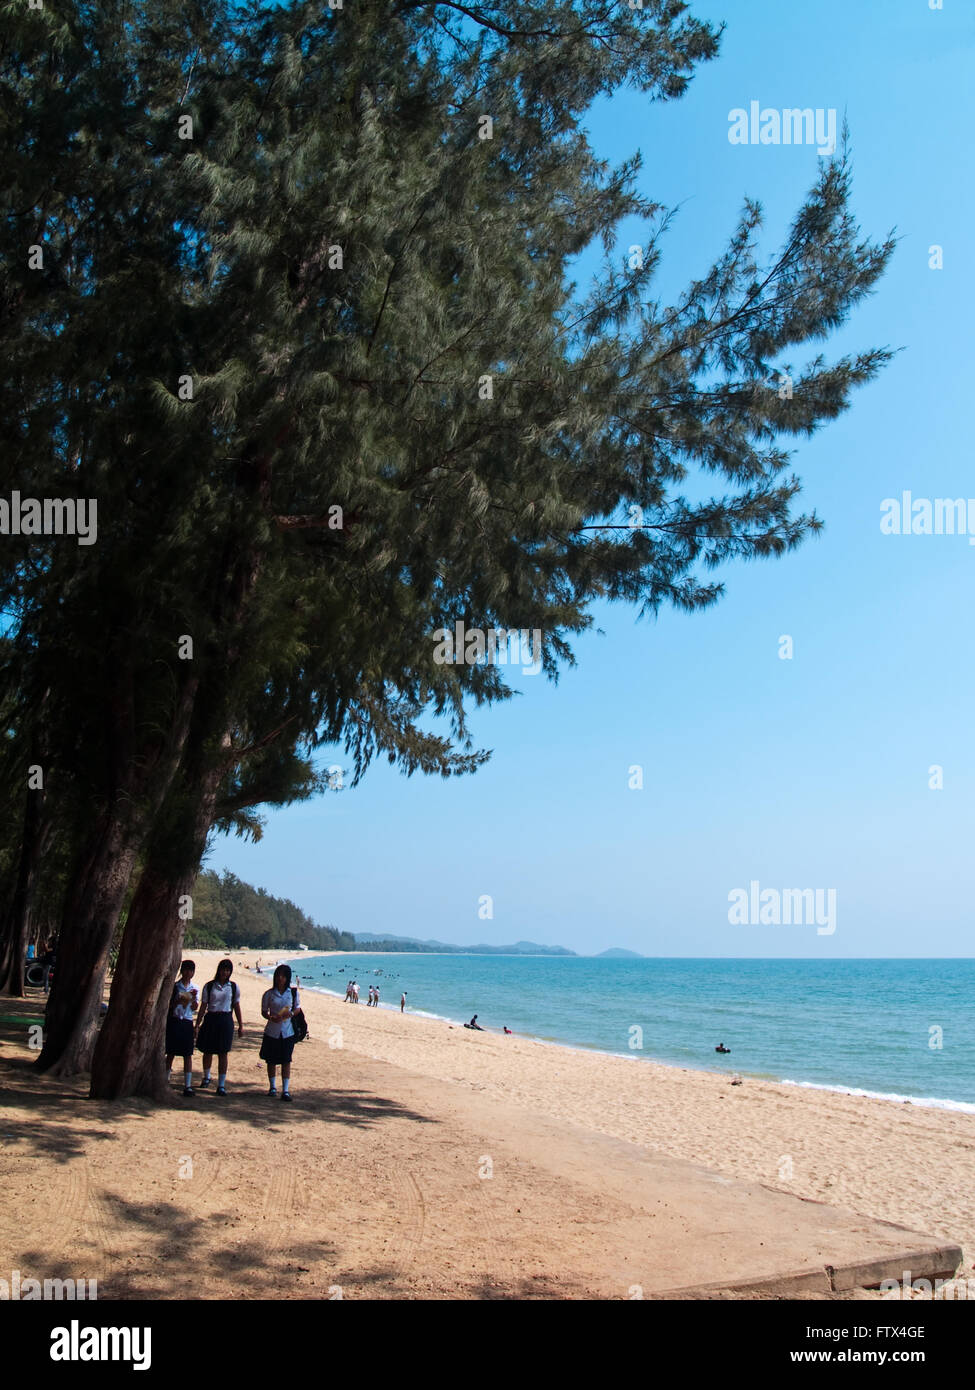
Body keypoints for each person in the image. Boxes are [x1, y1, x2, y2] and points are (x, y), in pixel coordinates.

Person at [196, 959, 243, 1096]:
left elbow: (236, 1005)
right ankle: (206, 1077)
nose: (225, 972)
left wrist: (240, 1025)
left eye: (228, 970)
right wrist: (197, 1024)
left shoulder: (233, 987)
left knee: (223, 1052)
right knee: (208, 1051)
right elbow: (203, 1005)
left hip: (226, 1019)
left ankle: (221, 1084)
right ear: (219, 970)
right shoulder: (209, 986)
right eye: (223, 969)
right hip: (211, 1018)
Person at [260, 964, 300, 1101]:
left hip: (287, 1031)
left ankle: (286, 1090)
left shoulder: (293, 993)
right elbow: (264, 1011)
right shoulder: (269, 994)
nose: (280, 978)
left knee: (286, 1060)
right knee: (271, 1060)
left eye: (283, 976)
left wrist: (291, 1014)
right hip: (272, 1030)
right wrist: (271, 1017)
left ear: (287, 978)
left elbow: (297, 1009)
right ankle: (272, 1087)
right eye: (278, 975)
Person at [165, 961, 199, 1096]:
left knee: (187, 1054)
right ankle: (166, 1079)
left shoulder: (195, 987)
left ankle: (188, 1085)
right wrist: (178, 1001)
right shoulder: (175, 987)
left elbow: (195, 1008)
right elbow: (168, 1005)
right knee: (171, 1052)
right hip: (175, 1020)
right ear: (182, 971)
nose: (188, 973)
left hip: (187, 1021)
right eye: (186, 970)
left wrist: (194, 1000)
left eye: (191, 971)